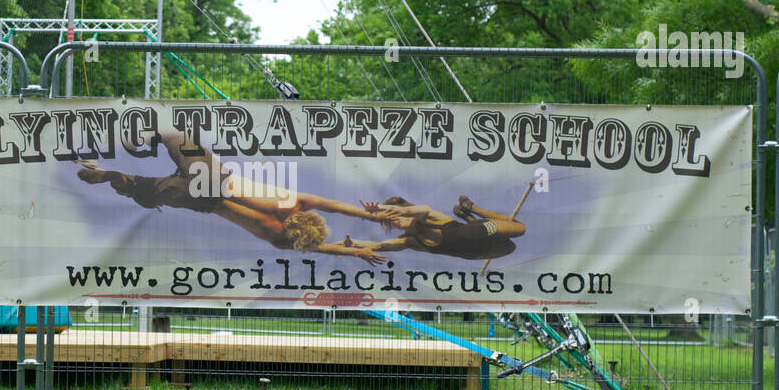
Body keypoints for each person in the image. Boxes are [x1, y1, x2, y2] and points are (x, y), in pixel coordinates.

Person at [75, 130, 393, 263]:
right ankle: (118, 178)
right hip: (202, 201)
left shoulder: (295, 203)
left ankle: (149, 138)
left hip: (215, 180)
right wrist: (355, 252)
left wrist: (371, 215)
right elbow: (321, 248)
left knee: (176, 137)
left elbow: (335, 206)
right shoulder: (280, 239)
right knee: (145, 190)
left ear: (307, 218)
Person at [353, 194, 526, 261]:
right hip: (476, 252)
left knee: (520, 228)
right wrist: (350, 244)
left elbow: (409, 209)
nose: (394, 221)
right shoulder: (410, 241)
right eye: (390, 222)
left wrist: (381, 209)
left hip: (480, 230)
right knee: (511, 246)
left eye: (395, 216)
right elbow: (379, 246)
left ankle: (471, 208)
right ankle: (467, 216)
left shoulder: (426, 216)